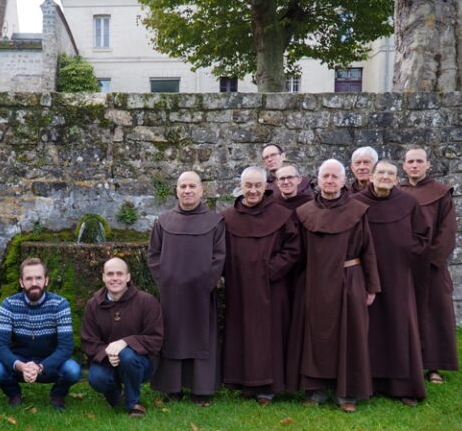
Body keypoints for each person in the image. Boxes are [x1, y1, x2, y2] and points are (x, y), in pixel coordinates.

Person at [287, 159, 381, 412]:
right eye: (325, 176)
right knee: (314, 336)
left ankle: (346, 393)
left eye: (334, 176)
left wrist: (371, 286)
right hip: (314, 282)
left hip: (349, 280)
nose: (329, 181)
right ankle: (315, 389)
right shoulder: (305, 212)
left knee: (349, 335)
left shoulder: (358, 210)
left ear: (342, 180)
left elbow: (368, 250)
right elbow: (298, 253)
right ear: (318, 180)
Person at [222, 166, 300, 404]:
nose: (253, 190)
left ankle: (269, 385)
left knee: (269, 335)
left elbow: (293, 248)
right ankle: (245, 382)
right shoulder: (227, 217)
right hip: (239, 287)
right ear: (241, 186)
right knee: (241, 333)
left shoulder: (282, 214)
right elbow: (220, 250)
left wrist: (270, 270)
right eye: (249, 185)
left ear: (266, 186)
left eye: (258, 185)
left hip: (271, 287)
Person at [148, 171, 226, 406]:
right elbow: (153, 255)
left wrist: (204, 283)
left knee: (201, 337)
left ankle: (201, 389)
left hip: (201, 292)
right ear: (177, 190)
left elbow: (219, 256)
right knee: (173, 336)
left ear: (202, 191)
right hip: (171, 293)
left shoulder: (215, 222)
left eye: (192, 186)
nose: (187, 191)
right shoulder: (163, 221)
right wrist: (166, 281)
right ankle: (172, 387)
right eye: (183, 186)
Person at [355, 161, 430, 405]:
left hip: (398, 274)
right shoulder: (357, 202)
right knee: (369, 327)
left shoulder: (408, 203)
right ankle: (370, 383)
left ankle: (403, 387)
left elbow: (422, 235)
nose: (385, 177)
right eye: (381, 173)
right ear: (372, 176)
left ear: (397, 179)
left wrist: (405, 253)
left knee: (400, 325)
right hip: (365, 272)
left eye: (391, 174)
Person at [0, 258, 81, 410]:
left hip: (49, 362)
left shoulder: (60, 304)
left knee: (73, 370)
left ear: (46, 280)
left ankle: (58, 394)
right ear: (21, 282)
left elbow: (66, 348)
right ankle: (14, 394)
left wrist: (40, 367)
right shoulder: (8, 305)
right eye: (29, 278)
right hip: (20, 361)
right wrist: (21, 367)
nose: (34, 283)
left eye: (38, 278)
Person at [401, 147, 459, 383]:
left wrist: (432, 259)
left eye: (419, 161)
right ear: (404, 166)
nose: (414, 165)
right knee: (406, 314)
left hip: (431, 266)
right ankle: (407, 363)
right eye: (410, 161)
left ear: (428, 165)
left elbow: (448, 231)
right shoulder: (398, 192)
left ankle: (434, 366)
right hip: (404, 266)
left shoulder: (441, 193)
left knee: (435, 314)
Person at [81, 257, 163, 417]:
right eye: (110, 274)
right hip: (108, 361)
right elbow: (88, 341)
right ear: (103, 277)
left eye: (120, 273)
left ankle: (134, 404)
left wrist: (125, 342)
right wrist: (108, 353)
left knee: (127, 355)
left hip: (140, 362)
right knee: (97, 378)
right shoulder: (93, 304)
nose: (115, 278)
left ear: (128, 277)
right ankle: (116, 397)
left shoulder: (147, 301)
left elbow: (155, 338)